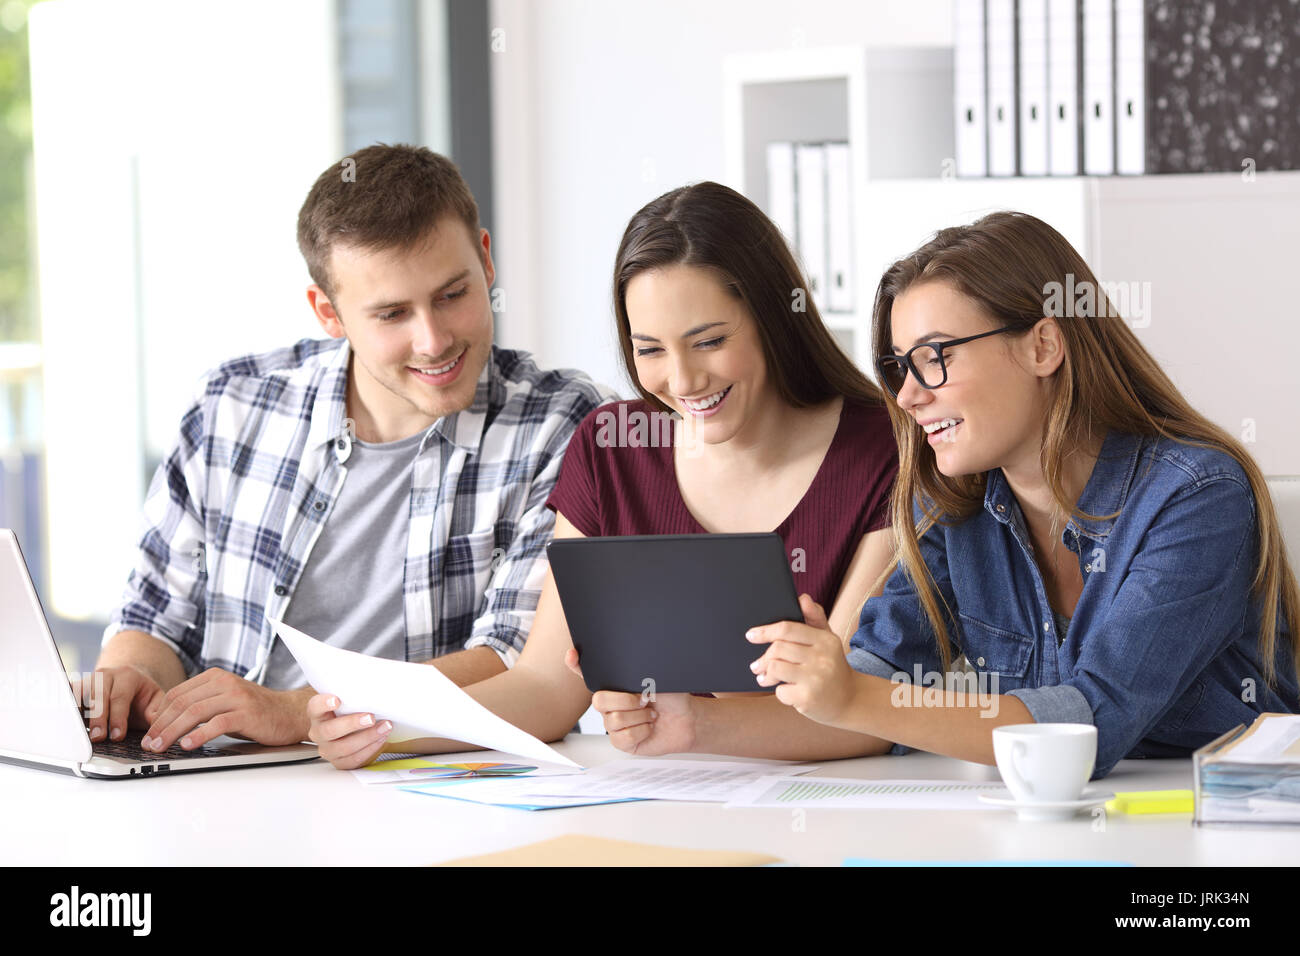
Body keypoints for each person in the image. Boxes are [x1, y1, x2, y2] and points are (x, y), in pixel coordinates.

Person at [307, 181, 900, 768]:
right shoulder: (611, 447)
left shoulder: (886, 448)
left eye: (711, 341)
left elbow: (857, 708)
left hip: (821, 807)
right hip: (653, 800)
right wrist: (381, 728)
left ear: (774, 316)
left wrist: (696, 724)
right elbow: (544, 690)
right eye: (650, 350)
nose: (684, 381)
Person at [91, 144, 611, 754]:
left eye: (452, 294)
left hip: (424, 782)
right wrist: (130, 680)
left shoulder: (561, 423)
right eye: (392, 314)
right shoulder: (232, 406)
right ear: (328, 312)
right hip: (219, 788)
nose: (434, 339)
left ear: (486, 262)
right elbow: (153, 621)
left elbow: (518, 663)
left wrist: (297, 713)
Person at [746, 210, 1300, 778]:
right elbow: (872, 689)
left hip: (1220, 825)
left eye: (935, 358)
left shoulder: (1198, 497)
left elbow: (1089, 725)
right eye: (899, 367)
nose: (908, 397)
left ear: (1043, 346)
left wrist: (855, 698)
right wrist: (689, 722)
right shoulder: (952, 506)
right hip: (1053, 825)